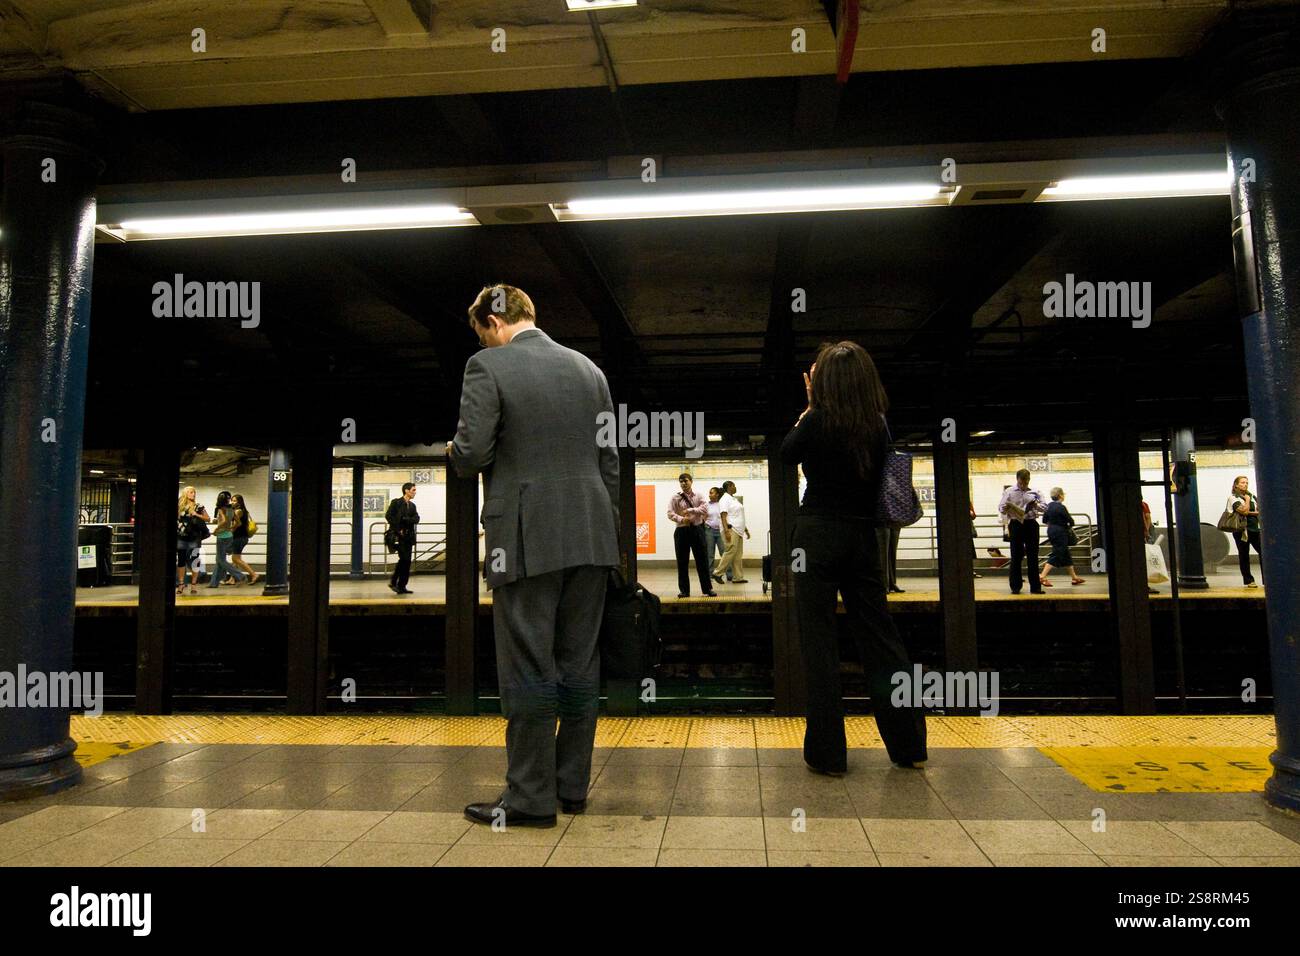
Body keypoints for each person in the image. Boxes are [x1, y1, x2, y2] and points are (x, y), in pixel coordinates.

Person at [449, 284, 620, 829]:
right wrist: (601, 526)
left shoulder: (487, 366)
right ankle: (572, 787)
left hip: (524, 538)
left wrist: (453, 452)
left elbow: (473, 453)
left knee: (527, 665)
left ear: (492, 324)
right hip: (592, 537)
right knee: (579, 665)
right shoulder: (590, 371)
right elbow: (608, 461)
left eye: (483, 333)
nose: (485, 341)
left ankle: (528, 796)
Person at [780, 341, 927, 774]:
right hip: (864, 539)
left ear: (821, 382)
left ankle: (829, 755)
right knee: (881, 640)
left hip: (815, 538)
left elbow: (787, 453)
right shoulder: (877, 424)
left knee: (819, 643)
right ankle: (908, 746)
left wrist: (809, 408)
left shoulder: (816, 420)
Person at [667, 472, 716, 598]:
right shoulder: (675, 498)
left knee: (702, 560)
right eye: (681, 481)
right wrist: (682, 519)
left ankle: (707, 589)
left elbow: (705, 509)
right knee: (682, 562)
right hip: (681, 531)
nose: (683, 483)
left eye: (686, 481)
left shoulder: (699, 495)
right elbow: (670, 513)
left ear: (691, 481)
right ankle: (684, 590)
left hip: (697, 530)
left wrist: (690, 510)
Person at [998, 469, 1046, 594]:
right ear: (1017, 479)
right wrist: (1005, 508)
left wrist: (1035, 504)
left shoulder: (1035, 491)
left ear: (1029, 479)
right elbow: (1001, 508)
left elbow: (1045, 508)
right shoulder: (1009, 491)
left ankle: (1035, 588)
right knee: (1016, 556)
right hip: (1016, 524)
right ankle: (1015, 587)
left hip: (1031, 524)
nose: (1023, 484)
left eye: (1026, 481)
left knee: (1033, 556)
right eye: (1021, 482)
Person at [1039, 488, 1084, 586]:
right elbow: (1071, 521)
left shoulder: (1048, 506)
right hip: (1061, 532)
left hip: (1051, 531)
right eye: (1063, 494)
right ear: (1060, 495)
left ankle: (1074, 578)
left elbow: (1044, 520)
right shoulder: (1061, 507)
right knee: (1057, 553)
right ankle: (1042, 576)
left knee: (1065, 554)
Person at [1227, 475, 1262, 589]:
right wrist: (1247, 500)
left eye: (1246, 482)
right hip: (1241, 531)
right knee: (1244, 555)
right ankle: (1249, 580)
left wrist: (1253, 510)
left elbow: (1259, 510)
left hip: (1254, 529)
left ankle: (1267, 579)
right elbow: (1244, 511)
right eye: (1242, 482)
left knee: (1263, 552)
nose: (1245, 484)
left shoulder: (1252, 497)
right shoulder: (1233, 498)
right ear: (1236, 484)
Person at [206, 491, 247, 588]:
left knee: (220, 560)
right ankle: (213, 583)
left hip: (222, 536)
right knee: (220, 560)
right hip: (229, 536)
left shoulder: (221, 509)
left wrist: (216, 529)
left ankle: (240, 575)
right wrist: (231, 529)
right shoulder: (231, 509)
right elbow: (238, 523)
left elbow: (224, 520)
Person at [713, 480, 750, 584]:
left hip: (738, 530)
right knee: (730, 551)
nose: (735, 487)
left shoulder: (733, 499)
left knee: (738, 554)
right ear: (729, 486)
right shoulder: (725, 499)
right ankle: (717, 573)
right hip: (731, 529)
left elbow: (738, 516)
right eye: (734, 485)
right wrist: (726, 531)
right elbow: (723, 516)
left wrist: (746, 530)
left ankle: (738, 577)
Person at [385, 482, 419, 594]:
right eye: (413, 490)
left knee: (406, 561)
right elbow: (389, 516)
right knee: (404, 559)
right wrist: (398, 528)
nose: (415, 492)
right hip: (398, 536)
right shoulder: (396, 503)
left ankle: (401, 585)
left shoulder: (412, 506)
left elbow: (417, 519)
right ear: (406, 490)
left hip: (408, 537)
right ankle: (395, 582)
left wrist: (405, 519)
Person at [176, 486, 208, 595]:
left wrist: (196, 514)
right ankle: (181, 584)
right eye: (191, 492)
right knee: (181, 560)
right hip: (182, 536)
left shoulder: (198, 506)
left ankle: (193, 584)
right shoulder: (180, 506)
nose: (193, 494)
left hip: (194, 537)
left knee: (195, 560)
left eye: (194, 492)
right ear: (186, 493)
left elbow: (207, 518)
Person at [228, 493, 260, 586]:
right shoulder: (244, 511)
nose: (232, 502)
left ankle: (253, 574)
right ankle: (232, 579)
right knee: (236, 559)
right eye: (232, 500)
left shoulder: (237, 511)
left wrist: (230, 530)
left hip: (238, 537)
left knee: (235, 558)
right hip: (243, 537)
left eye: (234, 501)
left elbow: (236, 524)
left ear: (239, 502)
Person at [704, 487, 726, 579]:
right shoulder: (706, 505)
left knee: (724, 553)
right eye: (709, 493)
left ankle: (729, 574)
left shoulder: (722, 504)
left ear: (717, 494)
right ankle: (709, 574)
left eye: (711, 493)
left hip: (721, 531)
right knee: (710, 554)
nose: (709, 495)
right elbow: (703, 517)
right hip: (709, 530)